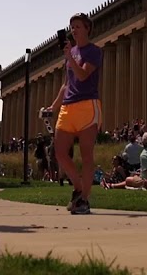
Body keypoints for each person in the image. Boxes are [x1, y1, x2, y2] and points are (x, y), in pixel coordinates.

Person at [48, 13, 103, 215]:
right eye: (72, 27)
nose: (74, 30)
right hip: (68, 107)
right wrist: (52, 108)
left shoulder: (94, 51)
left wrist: (70, 56)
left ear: (87, 28)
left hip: (87, 105)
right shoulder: (71, 53)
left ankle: (84, 200)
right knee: (60, 152)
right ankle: (79, 188)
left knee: (87, 155)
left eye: (78, 26)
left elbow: (82, 75)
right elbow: (67, 84)